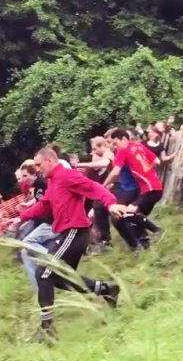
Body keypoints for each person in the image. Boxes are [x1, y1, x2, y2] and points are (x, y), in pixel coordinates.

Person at [16, 147, 128, 343]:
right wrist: (22, 216)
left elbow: (94, 188)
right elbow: (45, 204)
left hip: (75, 233)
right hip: (66, 234)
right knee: (58, 279)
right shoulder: (52, 181)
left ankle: (47, 329)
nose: (37, 169)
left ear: (50, 161)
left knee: (43, 272)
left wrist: (110, 204)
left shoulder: (67, 176)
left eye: (39, 165)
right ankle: (106, 289)